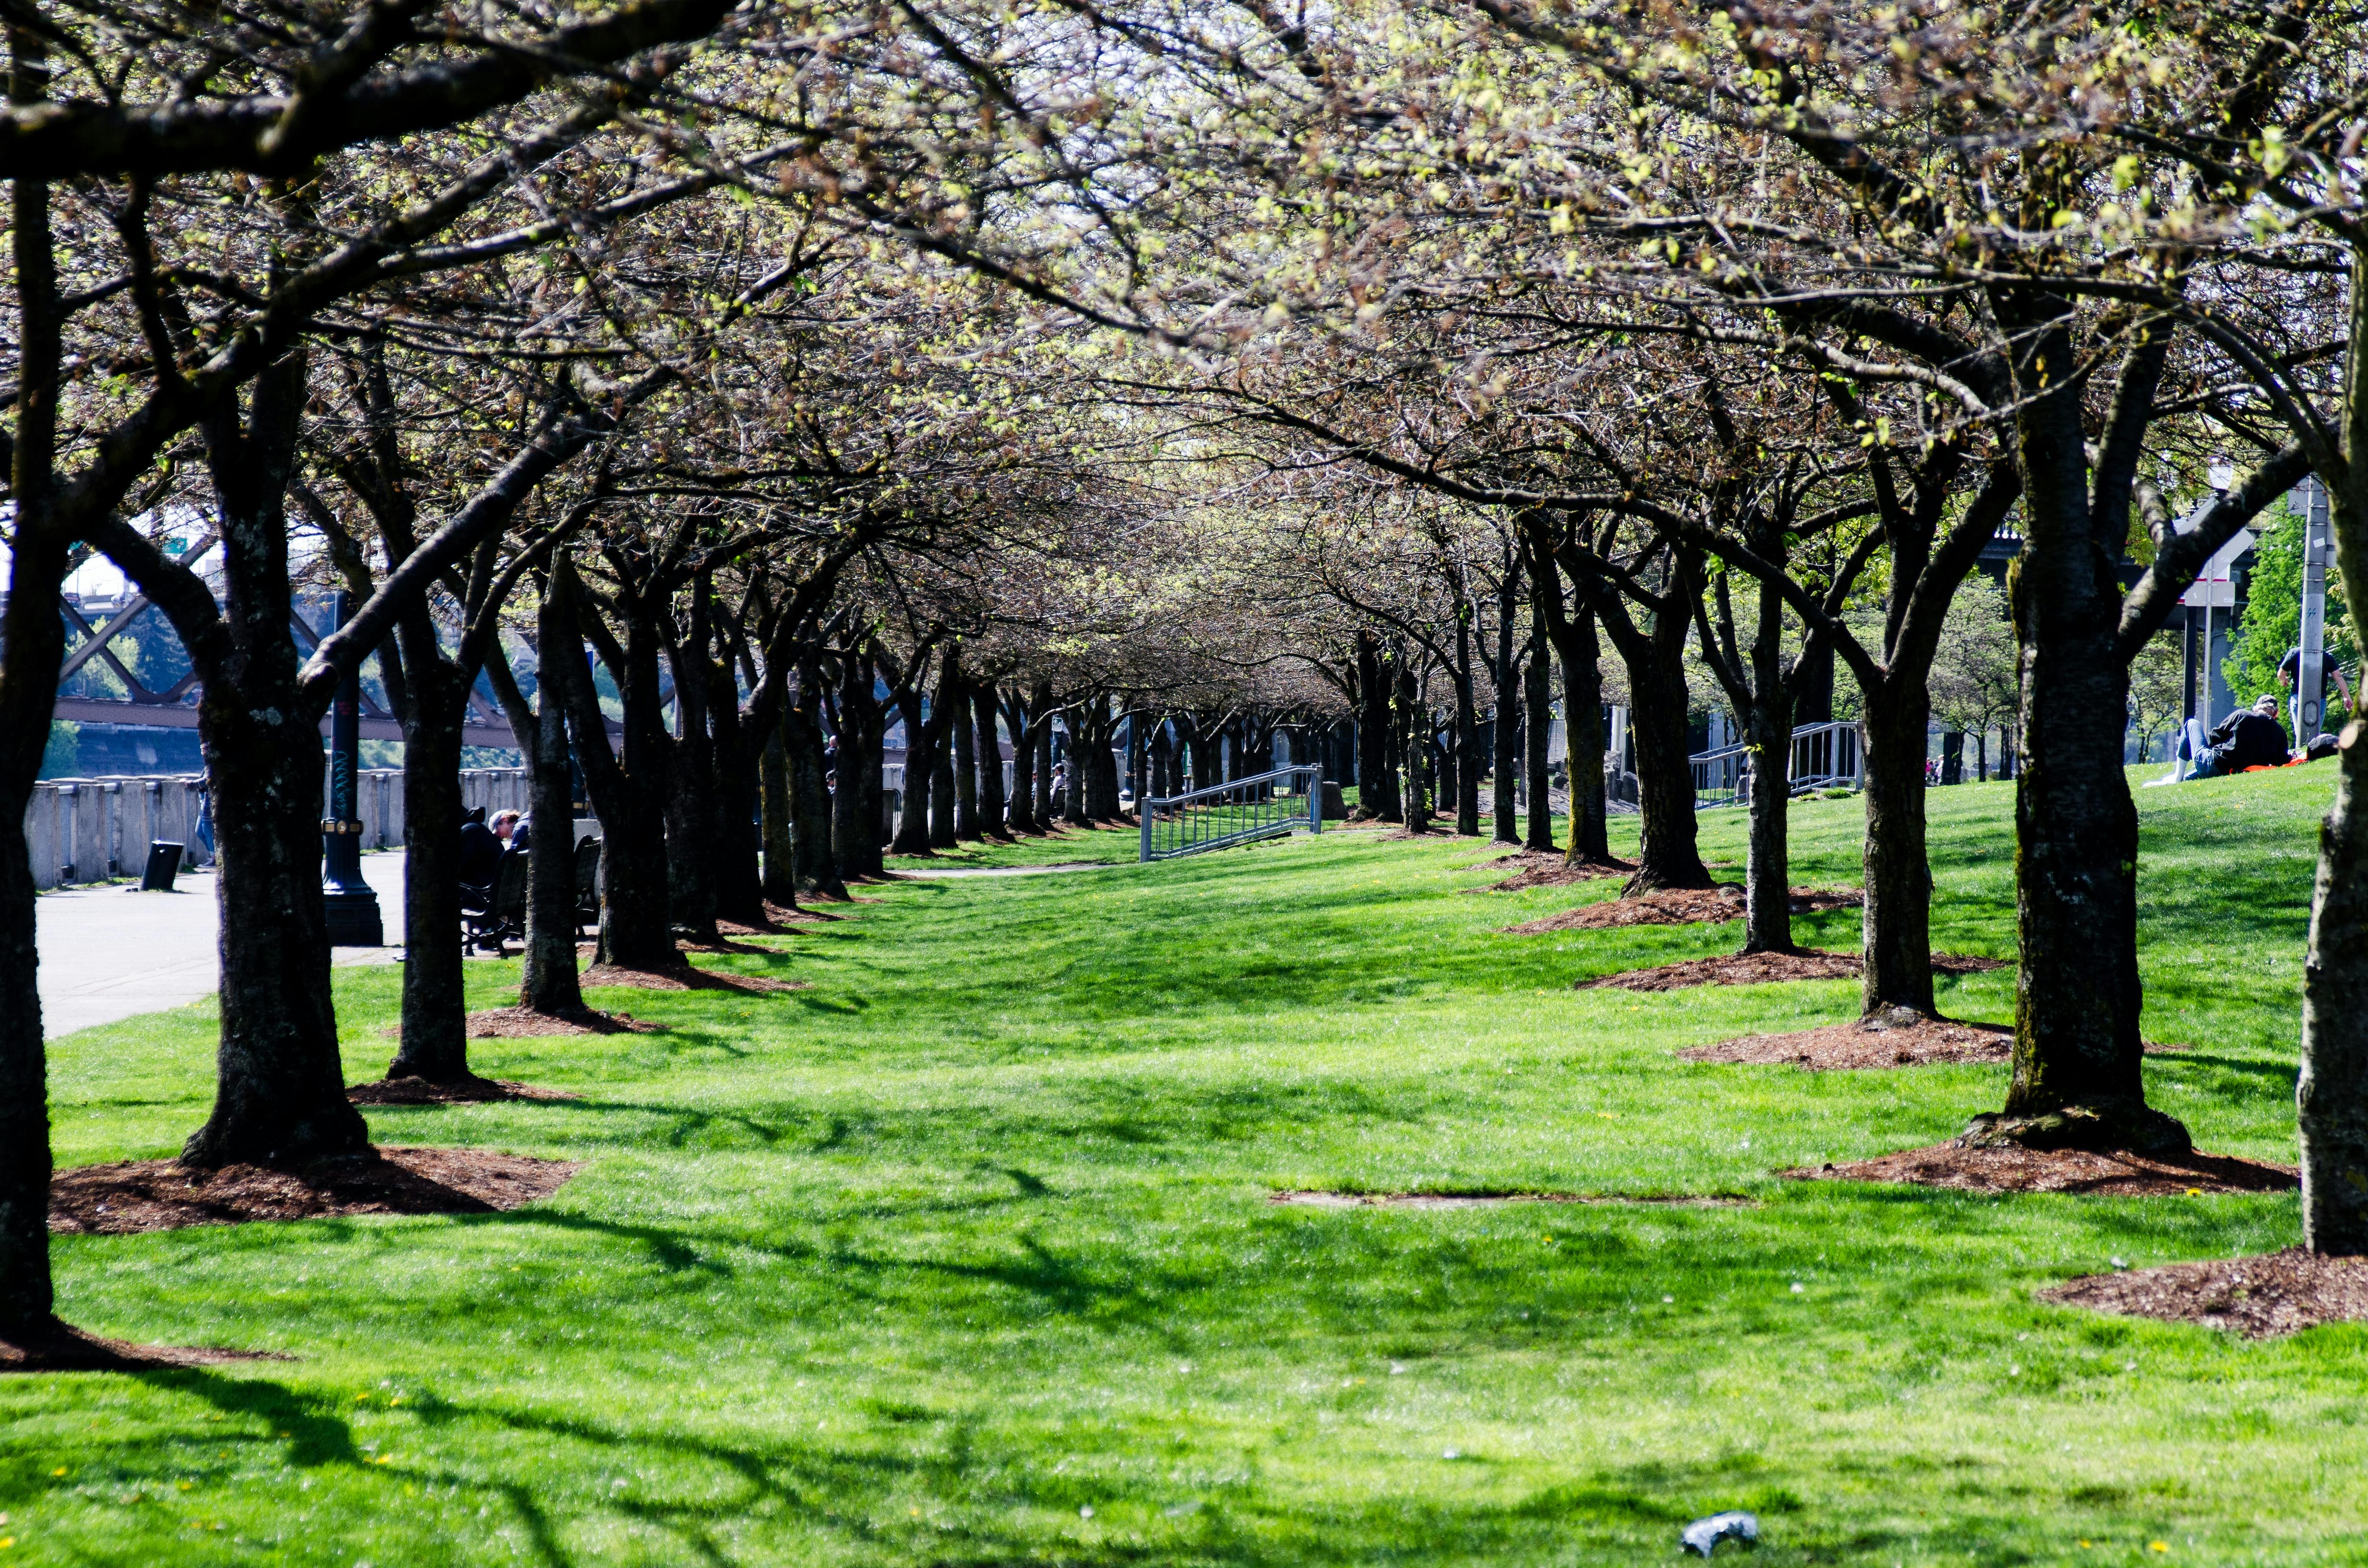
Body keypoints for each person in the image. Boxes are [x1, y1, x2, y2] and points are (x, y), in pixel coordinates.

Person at [2181, 694, 2292, 779]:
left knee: (2191, 724)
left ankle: (2178, 777)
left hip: (2215, 764)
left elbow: (2214, 738)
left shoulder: (2243, 715)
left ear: (2256, 709)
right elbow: (2281, 761)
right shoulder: (2280, 732)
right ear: (2276, 713)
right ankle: (2186, 777)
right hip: (2235, 770)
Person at [458, 807, 504, 907]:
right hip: (494, 891)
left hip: (481, 894)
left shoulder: (469, 831)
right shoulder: (477, 828)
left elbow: (459, 866)